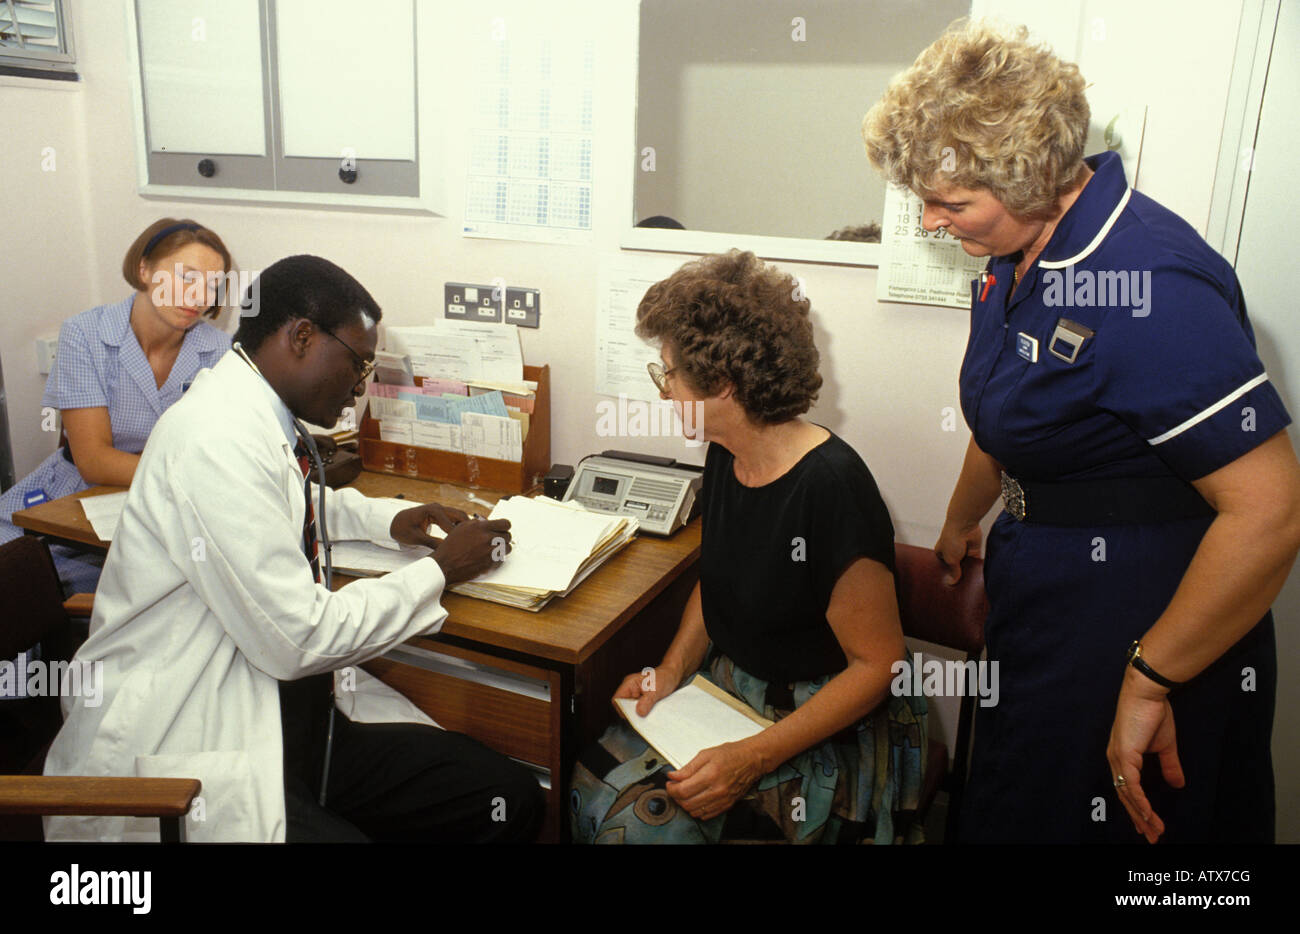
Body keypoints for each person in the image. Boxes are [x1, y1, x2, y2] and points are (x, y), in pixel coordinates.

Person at [862, 19, 1300, 843]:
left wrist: (1148, 679)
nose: (930, 223)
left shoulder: (1152, 283)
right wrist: (962, 517)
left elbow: (1271, 513)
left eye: (951, 203)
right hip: (1042, 583)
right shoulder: (1010, 257)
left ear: (1031, 177)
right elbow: (1006, 411)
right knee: (1017, 795)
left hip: (1142, 611)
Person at [43, 255, 543, 843]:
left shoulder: (252, 412)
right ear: (301, 337)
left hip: (288, 723)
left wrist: (393, 520)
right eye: (357, 365)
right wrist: (440, 571)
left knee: (502, 797)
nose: (358, 391)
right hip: (192, 738)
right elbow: (298, 639)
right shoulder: (213, 438)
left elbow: (285, 498)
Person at [569, 250, 927, 844]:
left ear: (724, 386)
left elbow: (877, 665)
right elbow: (718, 580)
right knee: (590, 784)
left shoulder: (832, 488)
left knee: (645, 829)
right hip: (735, 688)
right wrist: (670, 670)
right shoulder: (726, 452)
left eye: (669, 374)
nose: (664, 391)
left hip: (823, 716)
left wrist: (753, 758)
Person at [0, 218, 234, 595]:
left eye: (211, 285)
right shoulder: (86, 334)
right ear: (144, 270)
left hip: (162, 509)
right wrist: (189, 477)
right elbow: (93, 460)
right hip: (71, 499)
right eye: (186, 277)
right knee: (19, 579)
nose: (197, 297)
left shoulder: (219, 351)